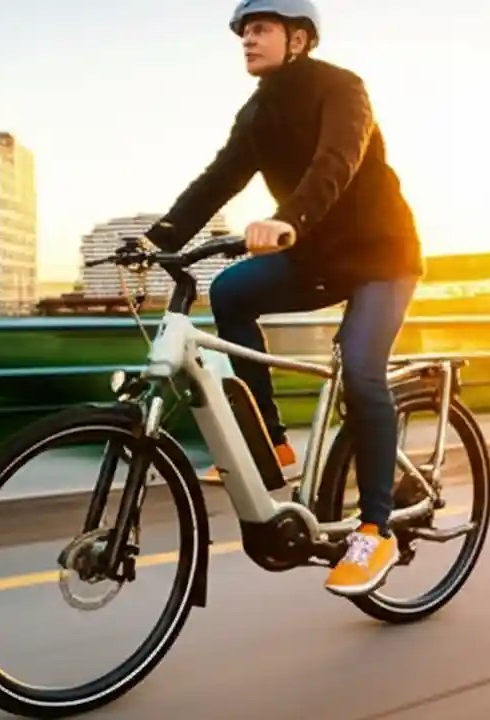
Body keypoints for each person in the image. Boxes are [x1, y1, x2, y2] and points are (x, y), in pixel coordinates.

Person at [143, 0, 424, 598]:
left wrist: (286, 219)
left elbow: (337, 161)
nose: (248, 39)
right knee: (230, 292)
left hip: (381, 257)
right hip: (314, 258)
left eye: (261, 28)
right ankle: (270, 439)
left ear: (299, 39)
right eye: (244, 31)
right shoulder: (257, 113)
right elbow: (219, 178)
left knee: (362, 371)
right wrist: (158, 238)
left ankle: (377, 531)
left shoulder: (343, 89)